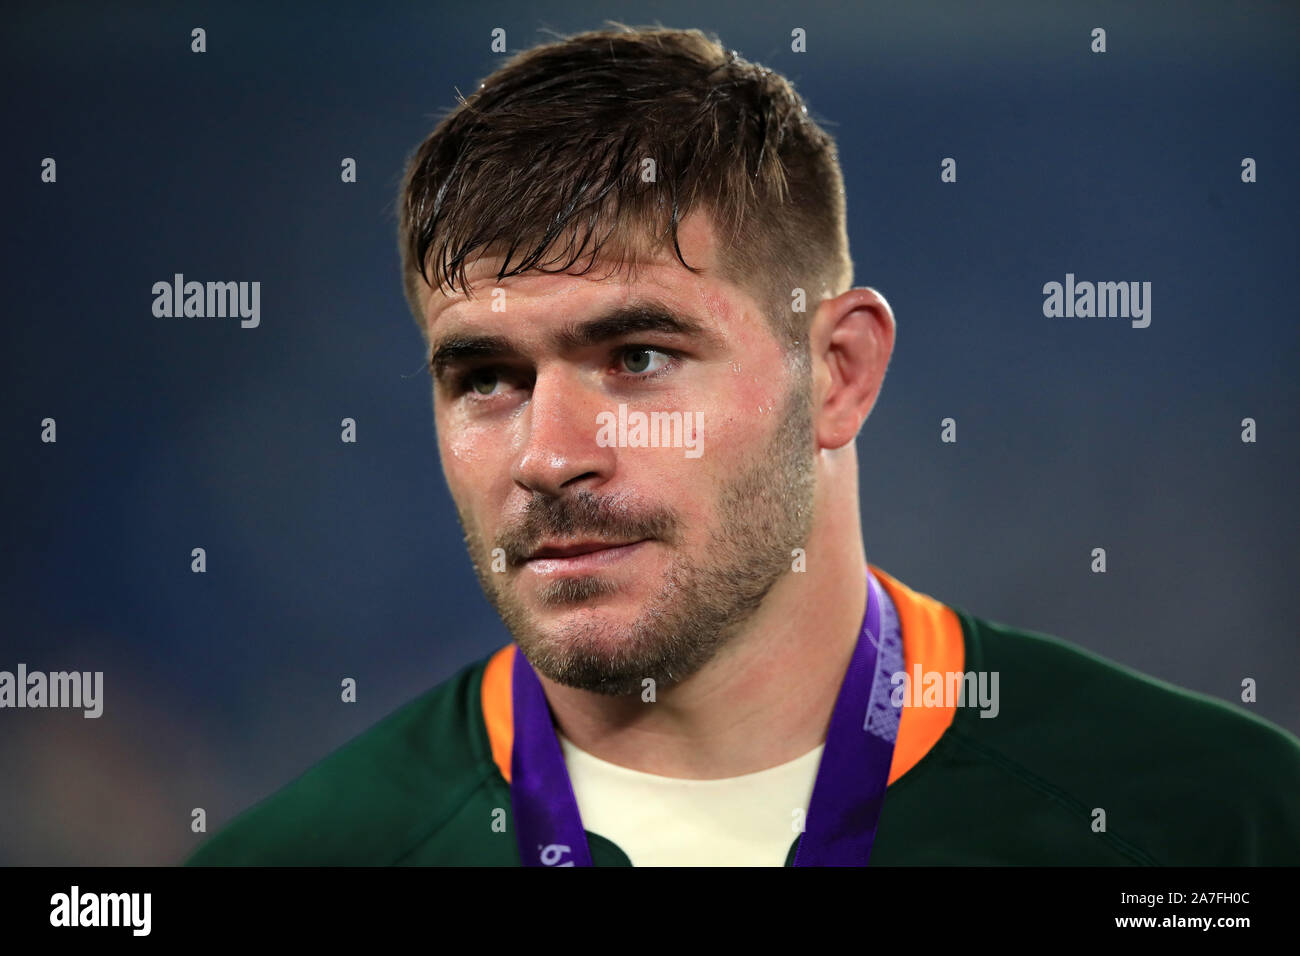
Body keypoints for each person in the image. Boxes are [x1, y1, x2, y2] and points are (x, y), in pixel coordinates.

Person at [187, 24, 1300, 867]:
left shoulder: (1220, 823)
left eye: (635, 355)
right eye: (486, 377)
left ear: (839, 372)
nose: (546, 455)